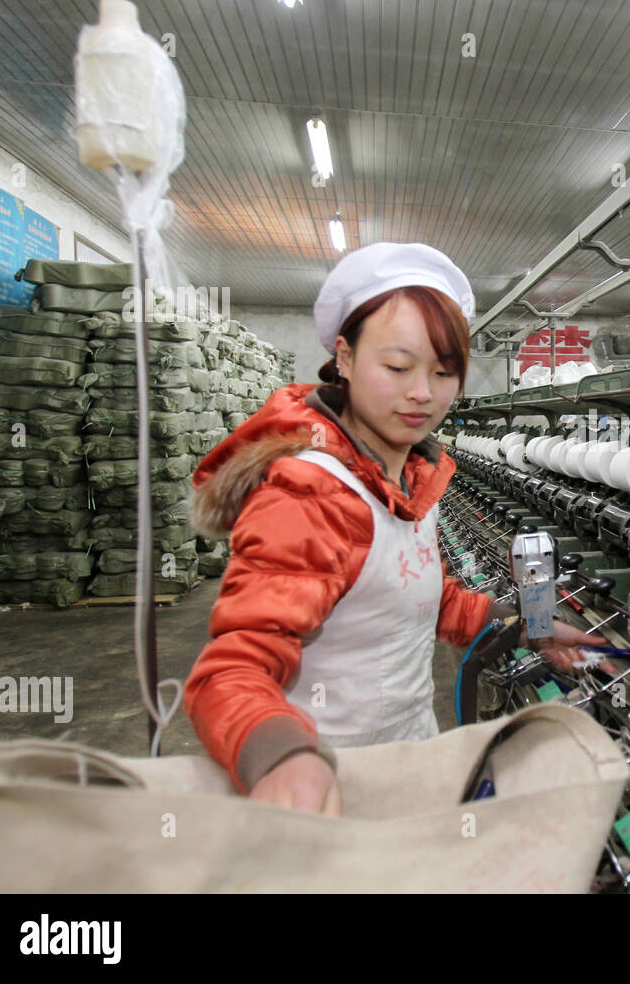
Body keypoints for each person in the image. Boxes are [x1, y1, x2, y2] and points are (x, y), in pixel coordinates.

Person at [184, 243, 604, 816]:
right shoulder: (310, 495)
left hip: (402, 765)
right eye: (399, 367)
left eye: (443, 371)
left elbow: (414, 601)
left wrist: (528, 626)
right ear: (346, 357)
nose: (422, 393)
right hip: (323, 789)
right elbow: (232, 670)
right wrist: (282, 760)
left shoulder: (408, 478)